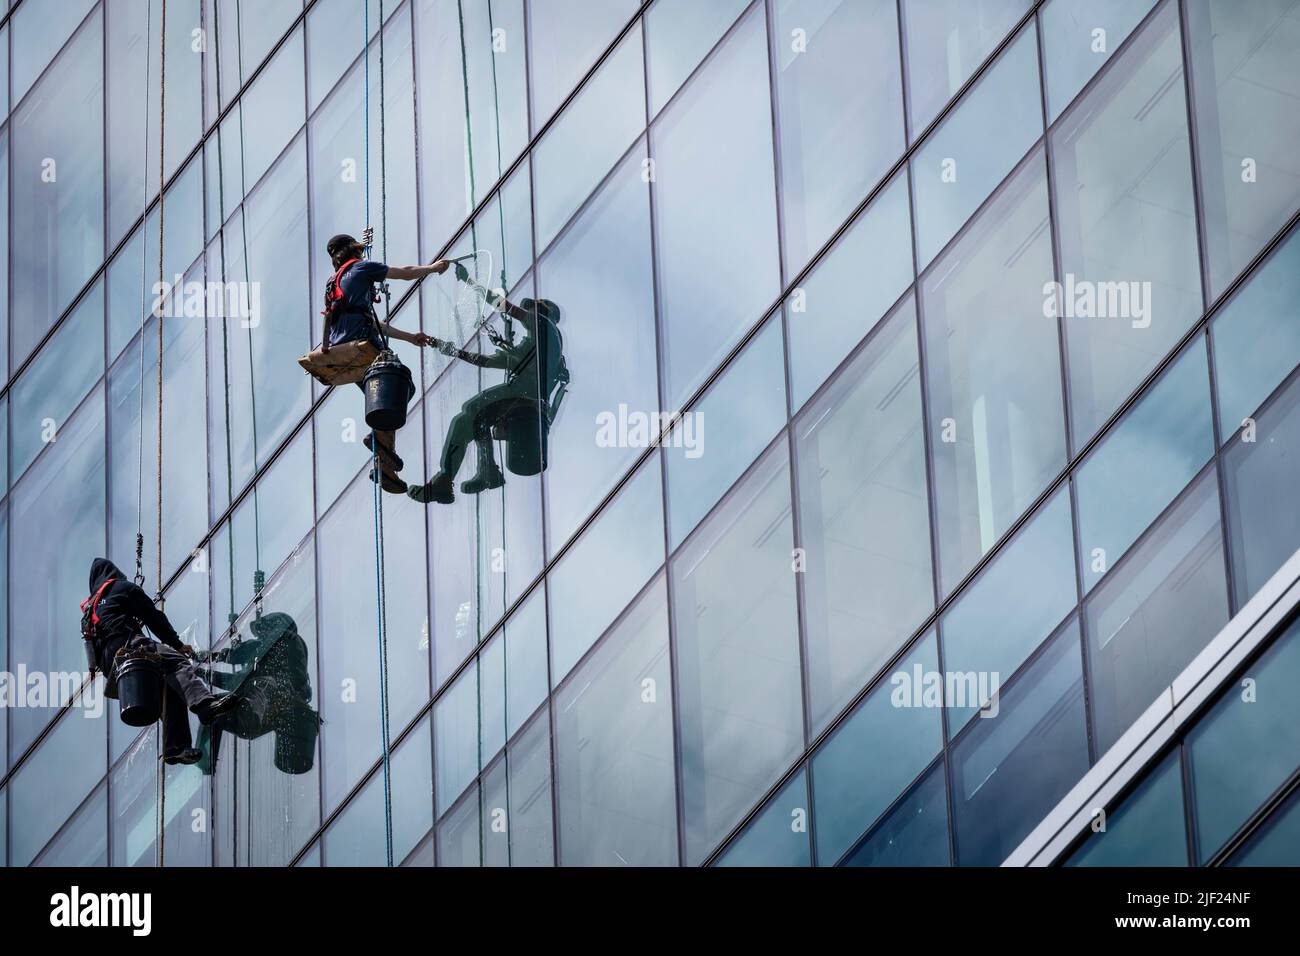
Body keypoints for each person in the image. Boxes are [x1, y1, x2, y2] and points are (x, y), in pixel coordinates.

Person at [408, 277, 569, 505]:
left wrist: (471, 283)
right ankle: (486, 471)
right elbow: (485, 361)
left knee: (468, 414)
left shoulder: (543, 325)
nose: (529, 312)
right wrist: (448, 349)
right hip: (527, 399)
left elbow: (503, 306)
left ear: (543, 313)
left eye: (534, 308)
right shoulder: (536, 348)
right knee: (477, 416)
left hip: (521, 396)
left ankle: (449, 479)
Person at [320, 232, 451, 494]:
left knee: (384, 401)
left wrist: (410, 337)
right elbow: (404, 272)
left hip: (345, 353)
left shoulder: (333, 282)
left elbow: (355, 319)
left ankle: (385, 467)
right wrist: (433, 268)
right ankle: (379, 444)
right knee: (400, 388)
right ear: (355, 250)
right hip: (364, 345)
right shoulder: (361, 268)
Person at [81, 558, 239, 765]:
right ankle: (205, 705)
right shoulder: (121, 588)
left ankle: (175, 748)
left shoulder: (89, 610)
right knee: (177, 662)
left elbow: (93, 646)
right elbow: (153, 617)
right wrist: (177, 644)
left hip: (112, 665)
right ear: (113, 574)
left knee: (171, 685)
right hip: (129, 647)